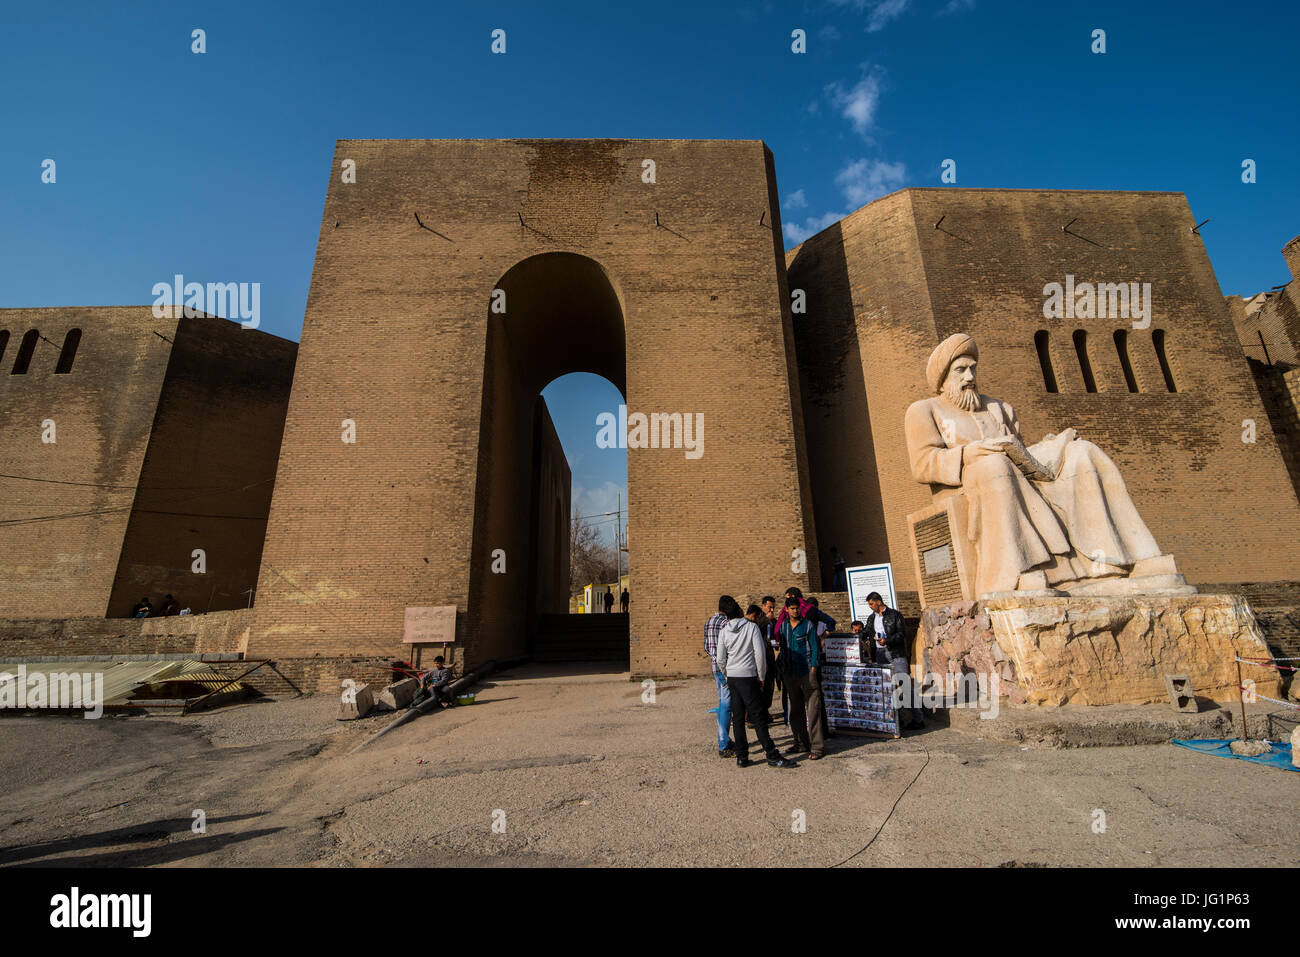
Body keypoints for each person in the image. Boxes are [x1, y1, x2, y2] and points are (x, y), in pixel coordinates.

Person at [905, 333, 1165, 595]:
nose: (969, 377)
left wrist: (1053, 446)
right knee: (996, 467)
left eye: (972, 369)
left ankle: (1114, 559)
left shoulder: (999, 408)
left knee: (1083, 453)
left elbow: (1019, 450)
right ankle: (1016, 572)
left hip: (1016, 477)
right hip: (969, 482)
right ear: (942, 379)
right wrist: (969, 454)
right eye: (960, 370)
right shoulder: (925, 410)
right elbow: (923, 464)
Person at [717, 597, 796, 768]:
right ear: (739, 611)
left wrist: (727, 673)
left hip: (733, 677)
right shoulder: (751, 628)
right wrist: (761, 677)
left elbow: (720, 659)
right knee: (758, 717)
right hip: (748, 676)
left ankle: (742, 756)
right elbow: (760, 655)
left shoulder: (724, 631)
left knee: (738, 718)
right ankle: (772, 754)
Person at [864, 591, 923, 730]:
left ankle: (918, 718)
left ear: (878, 602)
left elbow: (902, 633)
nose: (870, 606)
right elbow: (867, 631)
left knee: (905, 685)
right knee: (886, 688)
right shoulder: (871, 618)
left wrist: (887, 640)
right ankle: (895, 720)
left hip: (895, 653)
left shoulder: (894, 615)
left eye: (871, 604)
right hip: (879, 654)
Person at [779, 597, 827, 759]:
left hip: (807, 672)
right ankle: (800, 743)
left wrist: (813, 667)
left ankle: (817, 748)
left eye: (797, 608)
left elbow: (815, 647)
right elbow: (783, 649)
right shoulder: (783, 627)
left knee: (813, 711)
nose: (795, 611)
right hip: (791, 674)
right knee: (795, 712)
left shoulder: (808, 625)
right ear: (786, 610)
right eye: (792, 608)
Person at [705, 598, 735, 758]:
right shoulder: (727, 624)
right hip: (726, 669)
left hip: (715, 668)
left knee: (723, 702)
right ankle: (723, 743)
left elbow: (706, 646)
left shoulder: (709, 622)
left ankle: (725, 739)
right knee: (726, 705)